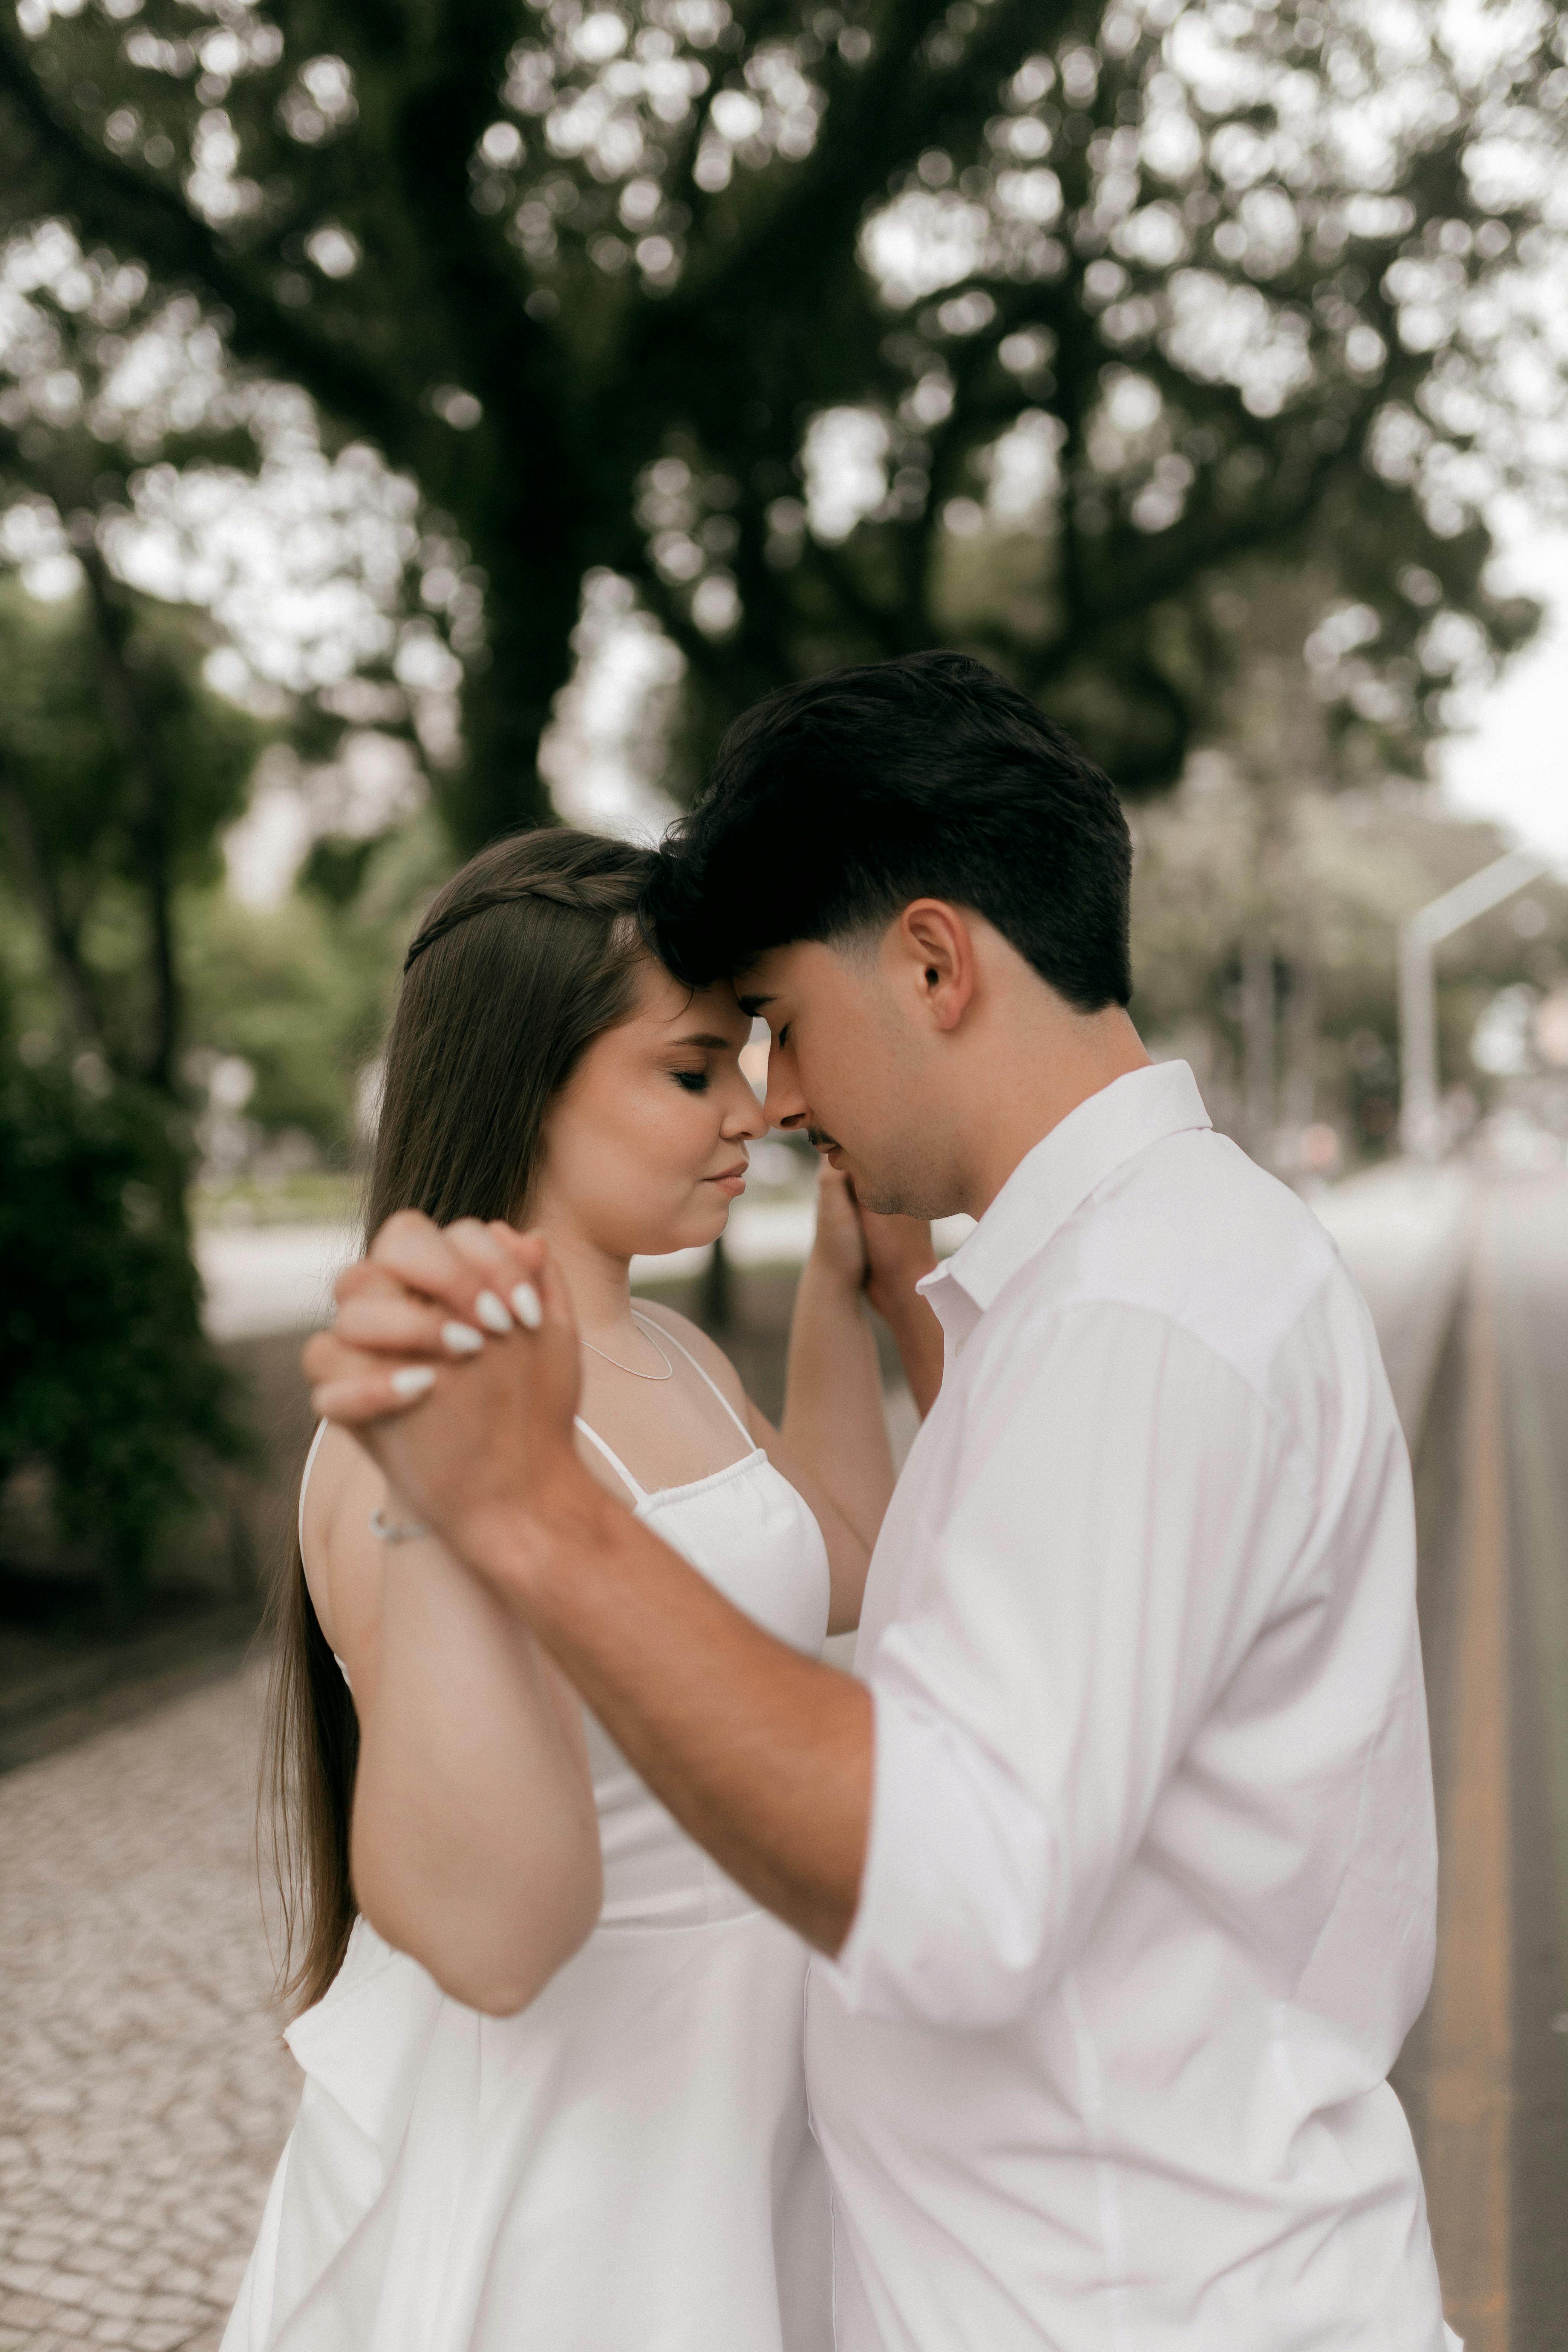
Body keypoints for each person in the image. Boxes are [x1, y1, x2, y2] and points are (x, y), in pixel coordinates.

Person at [311, 651, 1459, 2352]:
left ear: (929, 961)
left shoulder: (1131, 1322)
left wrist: (533, 1511)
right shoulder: (1123, 1278)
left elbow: (953, 1880)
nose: (773, 1101)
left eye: (776, 1022)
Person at [227, 826, 930, 2352]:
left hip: (768, 2101)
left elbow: (842, 1577)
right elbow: (493, 1933)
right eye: (690, 1072)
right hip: (583, 2166)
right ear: (523, 1082)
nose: (752, 1111)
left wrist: (837, 1294)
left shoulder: (671, 1352)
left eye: (746, 1059)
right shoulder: (404, 1437)